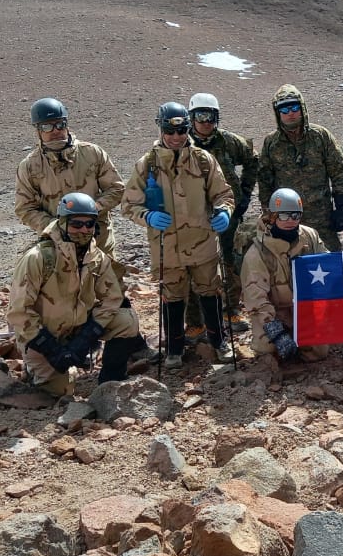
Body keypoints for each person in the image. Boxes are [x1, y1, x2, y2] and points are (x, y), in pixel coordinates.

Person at [123, 103, 236, 369]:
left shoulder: (203, 160)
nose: (176, 137)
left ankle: (219, 342)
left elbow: (223, 194)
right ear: (160, 128)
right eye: (169, 131)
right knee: (172, 297)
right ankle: (174, 349)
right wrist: (147, 216)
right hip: (167, 247)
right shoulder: (147, 165)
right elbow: (128, 205)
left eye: (182, 130)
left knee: (210, 291)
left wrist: (224, 212)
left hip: (202, 242)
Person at [7, 192, 150, 396]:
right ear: (63, 223)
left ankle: (111, 381)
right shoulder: (38, 258)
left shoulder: (97, 258)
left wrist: (85, 338)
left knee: (126, 320)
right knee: (60, 392)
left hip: (77, 329)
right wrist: (51, 349)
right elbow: (18, 312)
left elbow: (112, 299)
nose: (83, 230)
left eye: (89, 224)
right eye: (76, 224)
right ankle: (34, 370)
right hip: (44, 337)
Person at [15, 97, 126, 278]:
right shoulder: (30, 166)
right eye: (47, 127)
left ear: (66, 124)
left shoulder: (92, 153)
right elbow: (24, 208)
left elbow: (117, 189)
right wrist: (55, 226)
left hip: (98, 239)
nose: (55, 131)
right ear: (38, 131)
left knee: (111, 293)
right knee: (66, 298)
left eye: (59, 125)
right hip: (59, 245)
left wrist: (92, 210)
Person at [186, 91, 259, 329]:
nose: (206, 122)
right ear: (192, 117)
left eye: (211, 117)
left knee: (231, 260)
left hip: (228, 213)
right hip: (194, 218)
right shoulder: (182, 144)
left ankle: (231, 310)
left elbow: (252, 160)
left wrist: (245, 194)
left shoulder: (228, 141)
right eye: (201, 116)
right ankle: (196, 321)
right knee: (196, 266)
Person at [257, 84, 343, 252]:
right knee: (289, 264)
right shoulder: (271, 143)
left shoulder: (320, 136)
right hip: (287, 219)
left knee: (330, 262)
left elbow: (339, 170)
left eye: (294, 107)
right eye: (284, 110)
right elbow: (265, 180)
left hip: (321, 217)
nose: (290, 113)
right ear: (278, 113)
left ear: (302, 108)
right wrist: (268, 213)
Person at [241, 188, 327, 369]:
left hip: (303, 309)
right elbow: (256, 299)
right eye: (284, 216)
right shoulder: (258, 252)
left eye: (296, 215)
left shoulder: (309, 236)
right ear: (272, 216)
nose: (291, 221)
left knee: (318, 351)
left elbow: (327, 265)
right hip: (275, 312)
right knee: (267, 346)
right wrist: (276, 333)